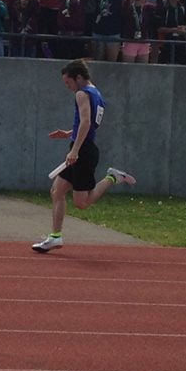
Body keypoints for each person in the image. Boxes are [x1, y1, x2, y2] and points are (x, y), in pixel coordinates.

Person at [32, 59, 137, 254]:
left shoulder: (82, 93)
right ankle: (55, 237)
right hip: (83, 147)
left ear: (78, 78)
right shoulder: (96, 93)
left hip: (84, 151)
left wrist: (75, 150)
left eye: (68, 82)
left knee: (82, 203)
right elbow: (87, 125)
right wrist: (68, 134)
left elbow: (86, 122)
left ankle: (113, 177)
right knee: (57, 191)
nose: (68, 87)